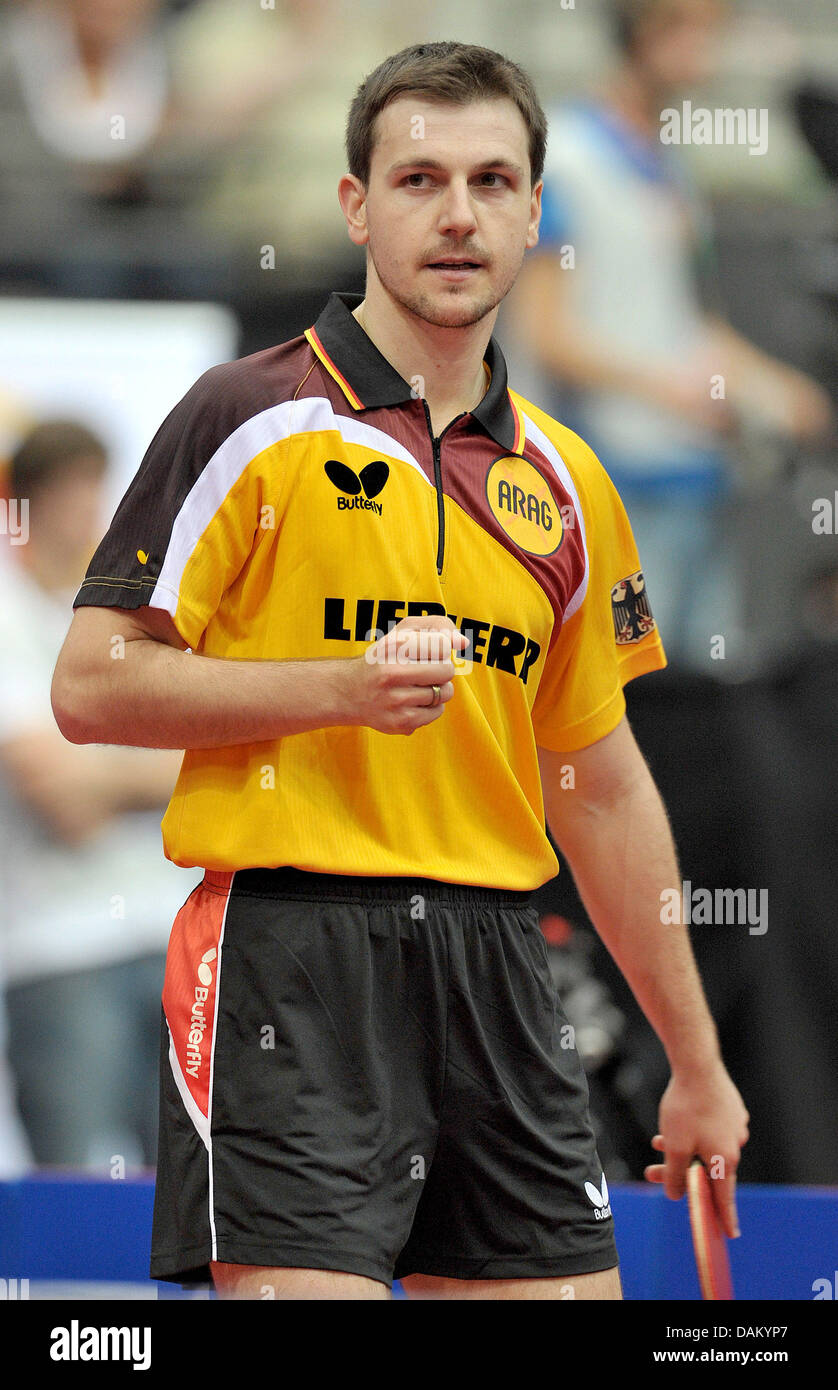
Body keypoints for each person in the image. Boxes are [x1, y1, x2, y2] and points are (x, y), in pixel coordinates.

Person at [51, 41, 749, 1300]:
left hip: (498, 963)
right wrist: (333, 687)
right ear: (355, 203)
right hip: (289, 952)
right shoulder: (242, 416)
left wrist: (694, 1062)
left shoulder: (570, 481)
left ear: (536, 212)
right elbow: (93, 684)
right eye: (419, 179)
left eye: (492, 182)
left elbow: (599, 784)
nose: (459, 215)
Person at [507, 0, 833, 671]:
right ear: (645, 31)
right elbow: (545, 333)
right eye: (691, 31)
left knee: (707, 710)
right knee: (623, 701)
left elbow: (688, 324)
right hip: (611, 492)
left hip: (695, 479)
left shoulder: (668, 164)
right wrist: (665, 389)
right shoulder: (565, 156)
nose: (707, 55)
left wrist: (772, 390)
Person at [0, 420, 199, 1167]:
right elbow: (63, 803)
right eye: (74, 492)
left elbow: (211, 757)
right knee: (75, 1207)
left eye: (98, 489)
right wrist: (168, 759)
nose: (93, 510)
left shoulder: (137, 619)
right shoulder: (8, 618)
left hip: (170, 937)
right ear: (30, 502)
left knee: (194, 1198)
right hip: (60, 948)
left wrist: (105, 771)